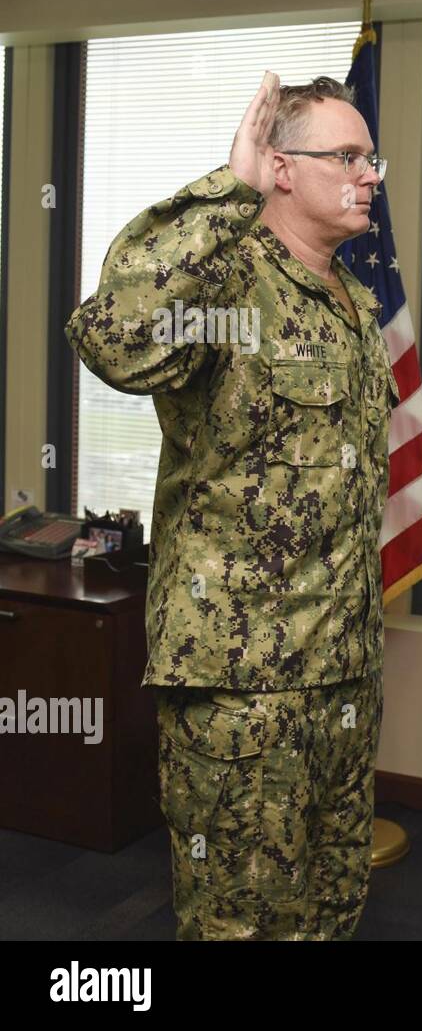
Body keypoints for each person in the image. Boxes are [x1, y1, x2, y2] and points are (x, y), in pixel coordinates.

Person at [65, 72, 397, 940]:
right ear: (282, 168)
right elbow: (114, 337)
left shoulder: (356, 306)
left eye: (372, 158)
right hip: (243, 684)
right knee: (240, 923)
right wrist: (225, 190)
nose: (370, 175)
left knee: (329, 910)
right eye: (348, 158)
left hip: (342, 674)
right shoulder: (228, 291)